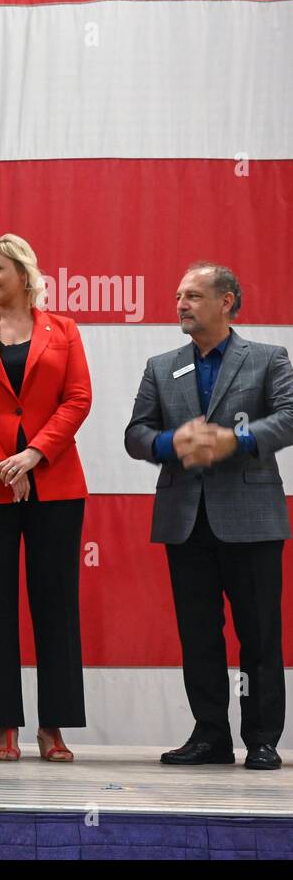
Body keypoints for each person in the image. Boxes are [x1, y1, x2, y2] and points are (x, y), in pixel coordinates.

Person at [125, 262, 293, 771]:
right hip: (184, 518)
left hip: (252, 516)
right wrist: (168, 443)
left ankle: (263, 738)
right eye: (179, 296)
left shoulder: (267, 358)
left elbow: (288, 418)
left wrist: (235, 441)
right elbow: (135, 434)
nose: (181, 304)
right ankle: (210, 736)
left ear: (227, 301)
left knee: (259, 634)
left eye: (194, 296)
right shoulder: (161, 365)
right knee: (199, 634)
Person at [0, 233, 92, 762]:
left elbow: (77, 400)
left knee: (56, 606)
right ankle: (1, 724)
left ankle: (54, 727)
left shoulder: (65, 331)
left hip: (54, 481)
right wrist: (2, 464)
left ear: (25, 274)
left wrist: (33, 456)